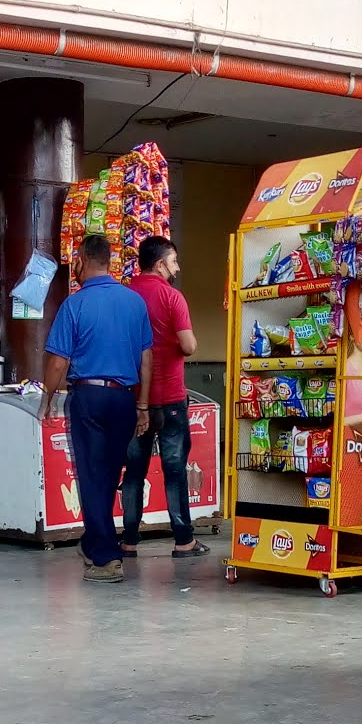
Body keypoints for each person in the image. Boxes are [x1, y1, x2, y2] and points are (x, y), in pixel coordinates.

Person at [38, 234, 152, 583]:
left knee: (91, 476)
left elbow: (58, 362)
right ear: (109, 261)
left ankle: (106, 559)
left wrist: (46, 400)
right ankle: (93, 543)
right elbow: (147, 359)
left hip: (88, 397)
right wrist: (143, 405)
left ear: (83, 260)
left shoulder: (75, 305)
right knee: (107, 476)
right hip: (124, 399)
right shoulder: (134, 302)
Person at [121, 235, 204, 559]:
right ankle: (183, 541)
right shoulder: (172, 297)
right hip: (169, 398)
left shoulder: (125, 296)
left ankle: (129, 541)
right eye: (174, 261)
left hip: (132, 399)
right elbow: (188, 346)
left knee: (133, 471)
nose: (177, 268)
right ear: (160, 264)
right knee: (174, 470)